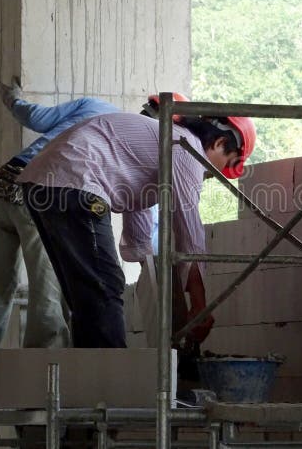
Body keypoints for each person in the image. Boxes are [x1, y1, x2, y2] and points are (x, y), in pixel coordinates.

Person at [18, 107, 257, 348]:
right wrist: (199, 305)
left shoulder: (156, 147)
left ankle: (89, 374)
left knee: (85, 294)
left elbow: (139, 235)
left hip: (40, 184)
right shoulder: (187, 148)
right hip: (75, 180)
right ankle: (110, 377)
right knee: (105, 287)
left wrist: (159, 281)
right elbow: (189, 231)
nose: (210, 176)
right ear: (219, 142)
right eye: (222, 165)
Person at [0, 78, 119, 355]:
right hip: (38, 191)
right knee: (48, 282)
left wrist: (13, 99)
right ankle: (44, 360)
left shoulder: (93, 105)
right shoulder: (122, 137)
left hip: (6, 181)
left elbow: (37, 117)